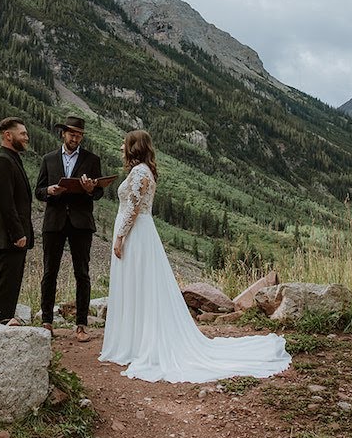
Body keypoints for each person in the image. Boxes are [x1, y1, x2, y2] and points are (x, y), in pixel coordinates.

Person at [99, 130, 292, 382]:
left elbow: (133, 208)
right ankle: (136, 340)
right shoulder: (145, 171)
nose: (121, 148)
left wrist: (120, 237)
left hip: (136, 235)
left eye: (125, 144)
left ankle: (138, 342)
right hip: (141, 233)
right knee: (139, 286)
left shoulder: (139, 173)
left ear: (133, 147)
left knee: (139, 285)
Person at [35, 115, 104, 342]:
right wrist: (50, 191)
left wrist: (89, 188)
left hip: (81, 223)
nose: (75, 137)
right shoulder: (49, 159)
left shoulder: (92, 159)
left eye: (79, 134)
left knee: (82, 273)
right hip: (54, 222)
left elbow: (99, 192)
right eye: (72, 133)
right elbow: (38, 191)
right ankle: (47, 321)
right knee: (49, 272)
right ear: (63, 133)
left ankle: (81, 325)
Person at [0, 117, 34, 324]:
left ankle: (1, 329)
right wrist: (18, 233)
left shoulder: (11, 159)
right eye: (22, 134)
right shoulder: (2, 162)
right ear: (8, 135)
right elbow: (5, 203)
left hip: (9, 239)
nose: (26, 137)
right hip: (6, 239)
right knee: (1, 289)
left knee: (9, 289)